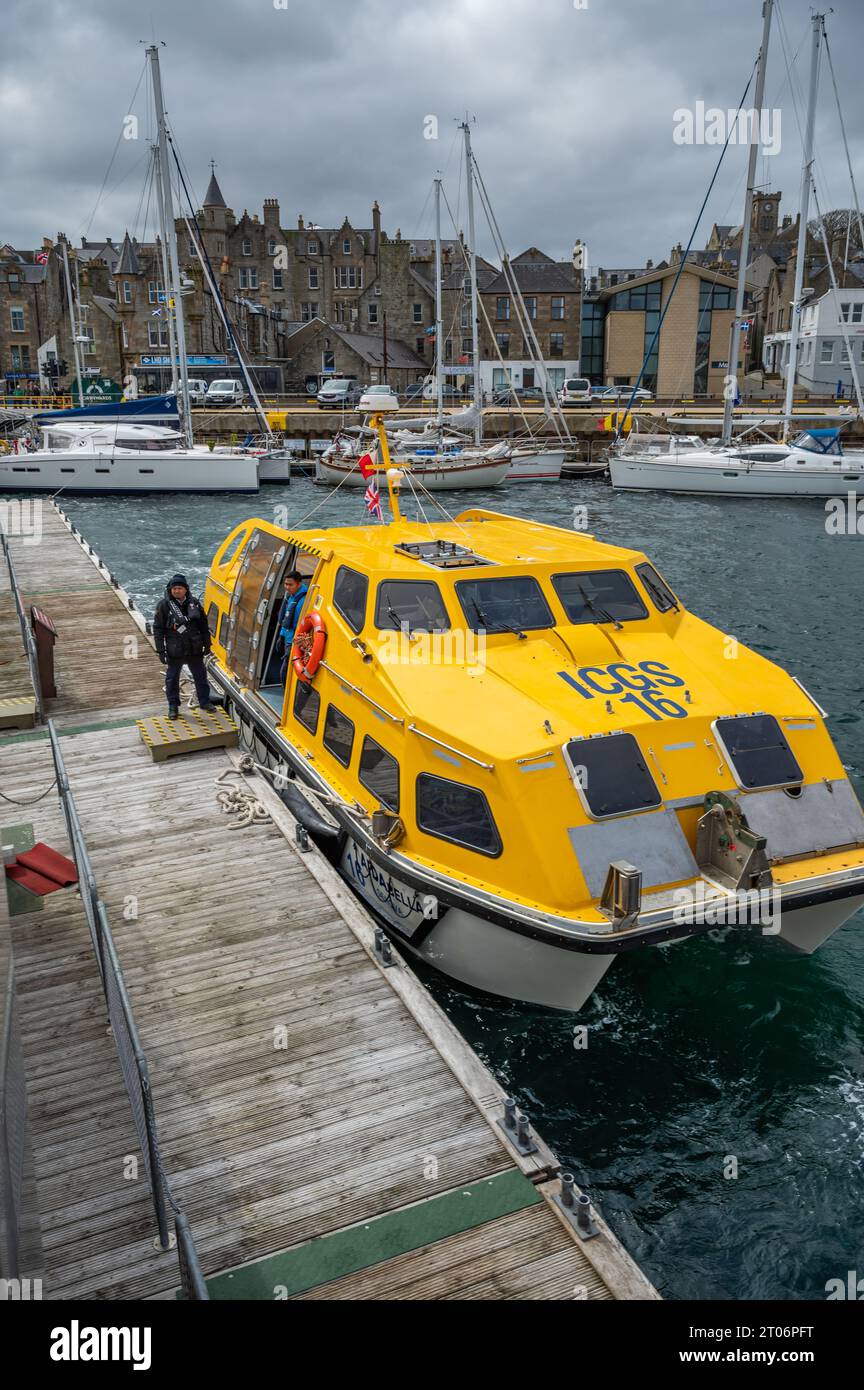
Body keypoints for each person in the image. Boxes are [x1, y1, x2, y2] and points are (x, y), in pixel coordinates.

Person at [153, 573, 218, 719]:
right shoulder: (163, 606)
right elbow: (158, 629)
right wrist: (161, 651)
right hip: (175, 649)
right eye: (174, 588)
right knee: (172, 679)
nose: (177, 591)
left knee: (201, 676)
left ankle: (205, 701)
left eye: (180, 588)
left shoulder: (194, 603)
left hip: (194, 648)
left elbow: (203, 625)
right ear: (170, 590)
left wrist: (207, 644)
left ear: (186, 590)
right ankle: (173, 706)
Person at [277, 570, 309, 682]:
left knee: (285, 671)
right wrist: (281, 635)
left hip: (296, 641)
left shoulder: (304, 601)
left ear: (299, 584)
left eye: (290, 584)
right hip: (288, 637)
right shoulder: (291, 596)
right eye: (286, 584)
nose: (287, 587)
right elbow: (286, 618)